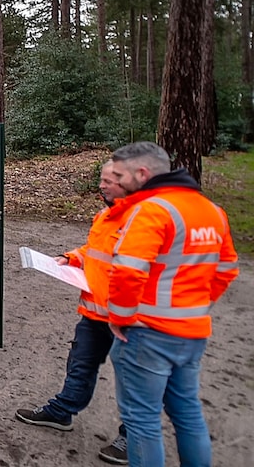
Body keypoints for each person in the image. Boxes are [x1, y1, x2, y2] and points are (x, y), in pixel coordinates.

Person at [105, 142, 240, 467]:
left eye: (120, 175)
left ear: (143, 173)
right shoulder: (212, 211)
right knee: (189, 414)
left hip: (146, 333)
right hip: (192, 332)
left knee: (142, 422)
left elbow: (127, 271)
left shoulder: (152, 209)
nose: (117, 182)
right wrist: (195, 305)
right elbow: (227, 268)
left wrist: (119, 318)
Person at [15, 160, 130, 464]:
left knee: (132, 380)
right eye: (102, 180)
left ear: (130, 181)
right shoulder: (106, 215)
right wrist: (71, 258)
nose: (102, 185)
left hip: (129, 318)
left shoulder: (143, 219)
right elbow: (95, 249)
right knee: (80, 364)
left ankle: (132, 435)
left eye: (109, 181)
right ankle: (62, 410)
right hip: (94, 312)